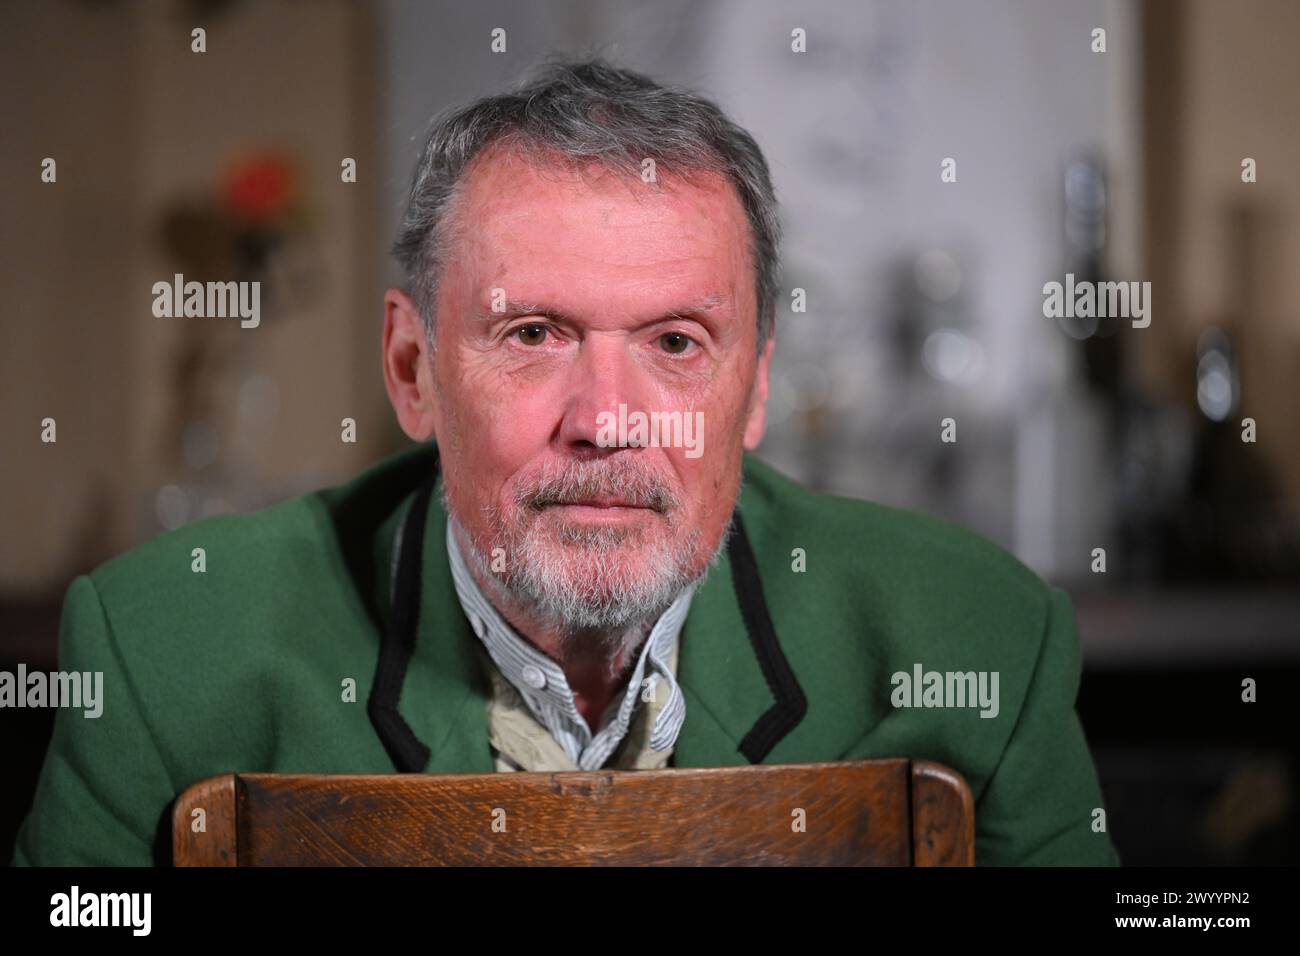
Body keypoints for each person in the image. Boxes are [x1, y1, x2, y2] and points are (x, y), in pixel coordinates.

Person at [12, 58, 1119, 866]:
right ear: (412, 368)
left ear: (757, 387)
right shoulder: (164, 653)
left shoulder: (978, 640)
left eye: (676, 343)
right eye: (533, 334)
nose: (606, 421)